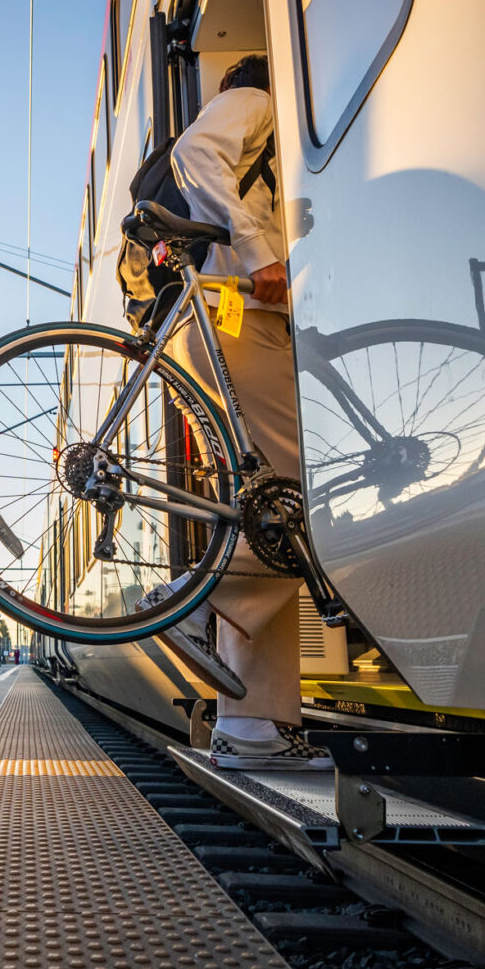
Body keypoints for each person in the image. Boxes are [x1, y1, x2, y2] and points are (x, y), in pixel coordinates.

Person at [160, 54, 331, 772]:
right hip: (238, 324)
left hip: (233, 329)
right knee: (288, 505)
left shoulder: (262, 131)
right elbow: (196, 150)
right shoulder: (257, 99)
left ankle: (251, 719)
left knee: (272, 504)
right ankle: (193, 606)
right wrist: (260, 252)